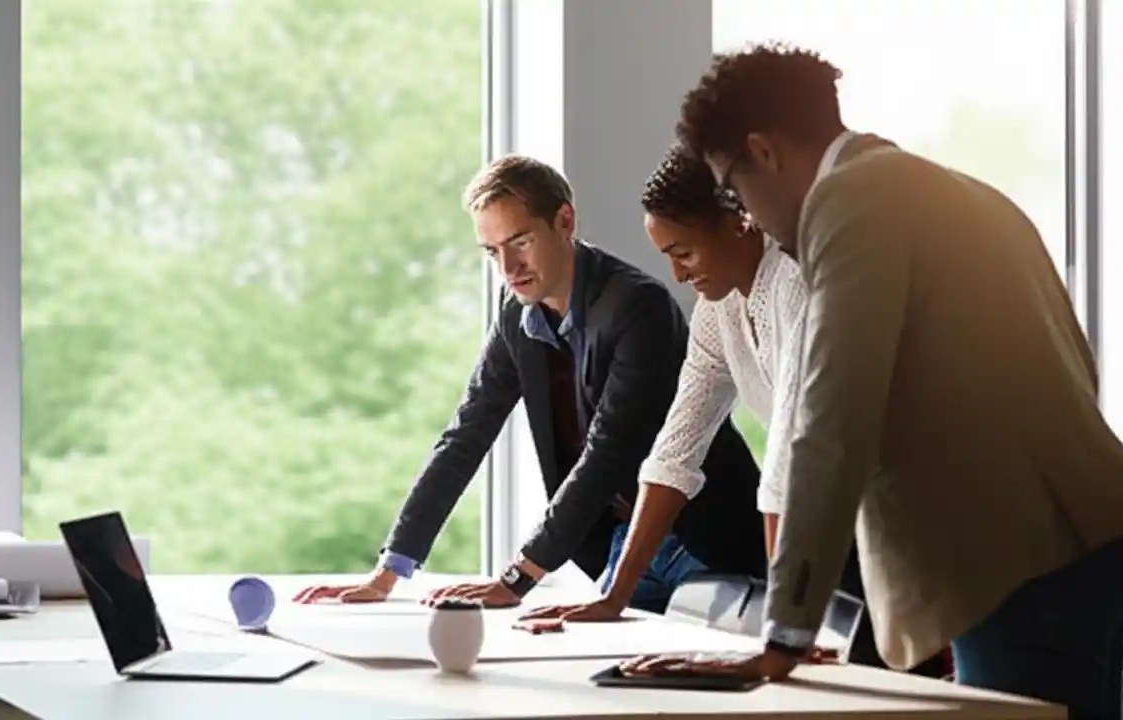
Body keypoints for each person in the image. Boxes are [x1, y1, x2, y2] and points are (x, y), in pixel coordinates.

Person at [622, 43, 1123, 720]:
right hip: (1087, 534)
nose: (746, 214)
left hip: (1014, 562)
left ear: (763, 151)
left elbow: (830, 425)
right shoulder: (951, 188)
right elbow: (1074, 364)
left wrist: (784, 634)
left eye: (731, 188)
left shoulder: (850, 206)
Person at [294, 155, 764, 613]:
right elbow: (466, 435)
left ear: (564, 221)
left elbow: (608, 452)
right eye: (492, 251)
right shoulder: (516, 312)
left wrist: (518, 578)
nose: (508, 267)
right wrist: (388, 572)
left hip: (701, 543)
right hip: (620, 549)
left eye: (520, 242)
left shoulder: (637, 307)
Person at [518, 145, 890, 670]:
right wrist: (613, 598)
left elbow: (787, 462)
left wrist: (776, 644)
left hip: (899, 524)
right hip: (835, 529)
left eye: (685, 252)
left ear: (739, 222)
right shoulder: (718, 310)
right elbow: (674, 454)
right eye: (666, 255)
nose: (676, 274)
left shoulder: (796, 284)